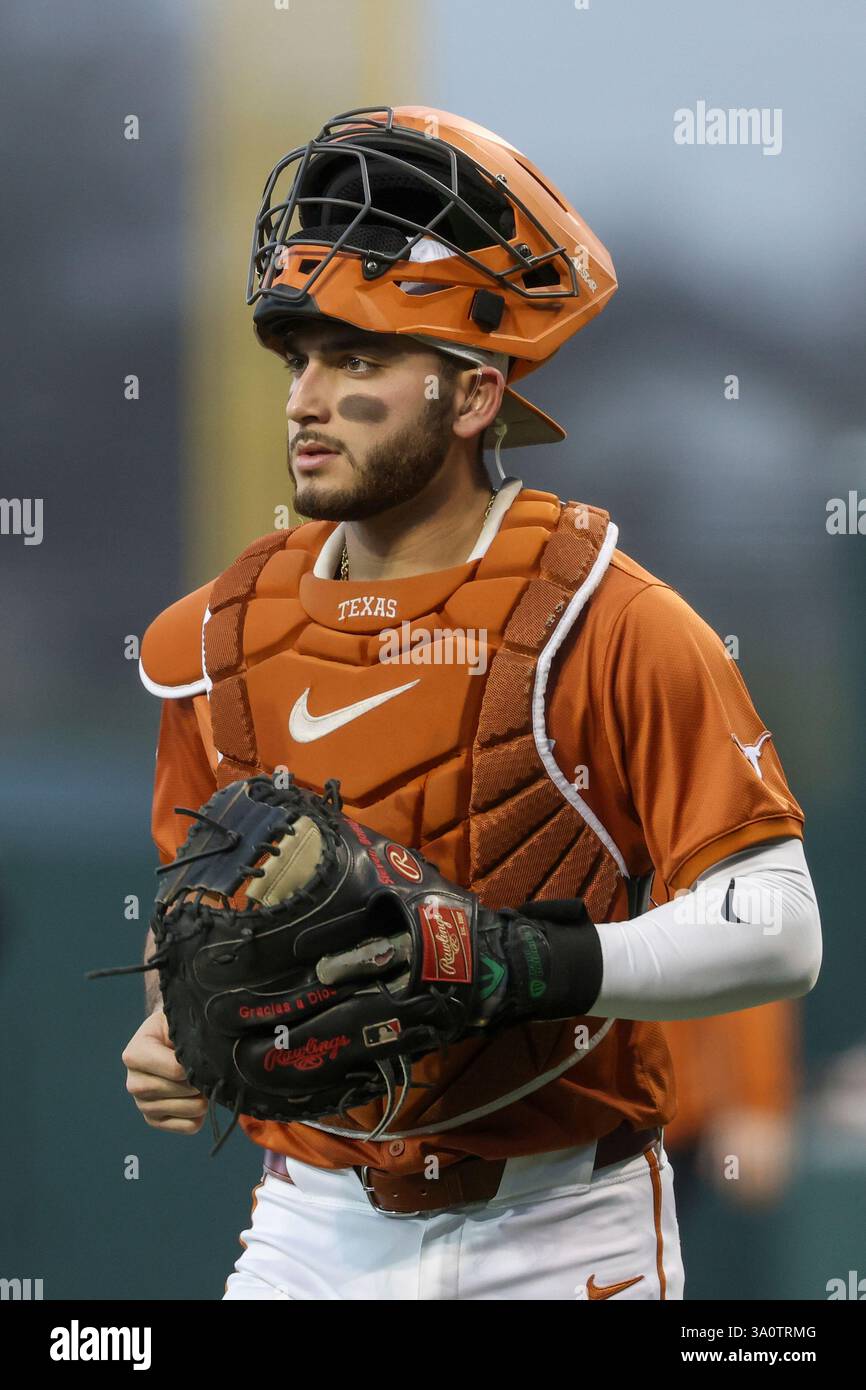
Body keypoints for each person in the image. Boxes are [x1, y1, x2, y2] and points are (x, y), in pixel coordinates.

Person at [122, 105, 822, 1301]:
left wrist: (521, 963)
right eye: (300, 357)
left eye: (355, 360)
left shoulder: (608, 618)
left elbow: (775, 927)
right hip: (311, 1229)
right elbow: (194, 918)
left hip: (561, 1223)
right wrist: (173, 1025)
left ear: (473, 395)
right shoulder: (217, 638)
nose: (304, 398)